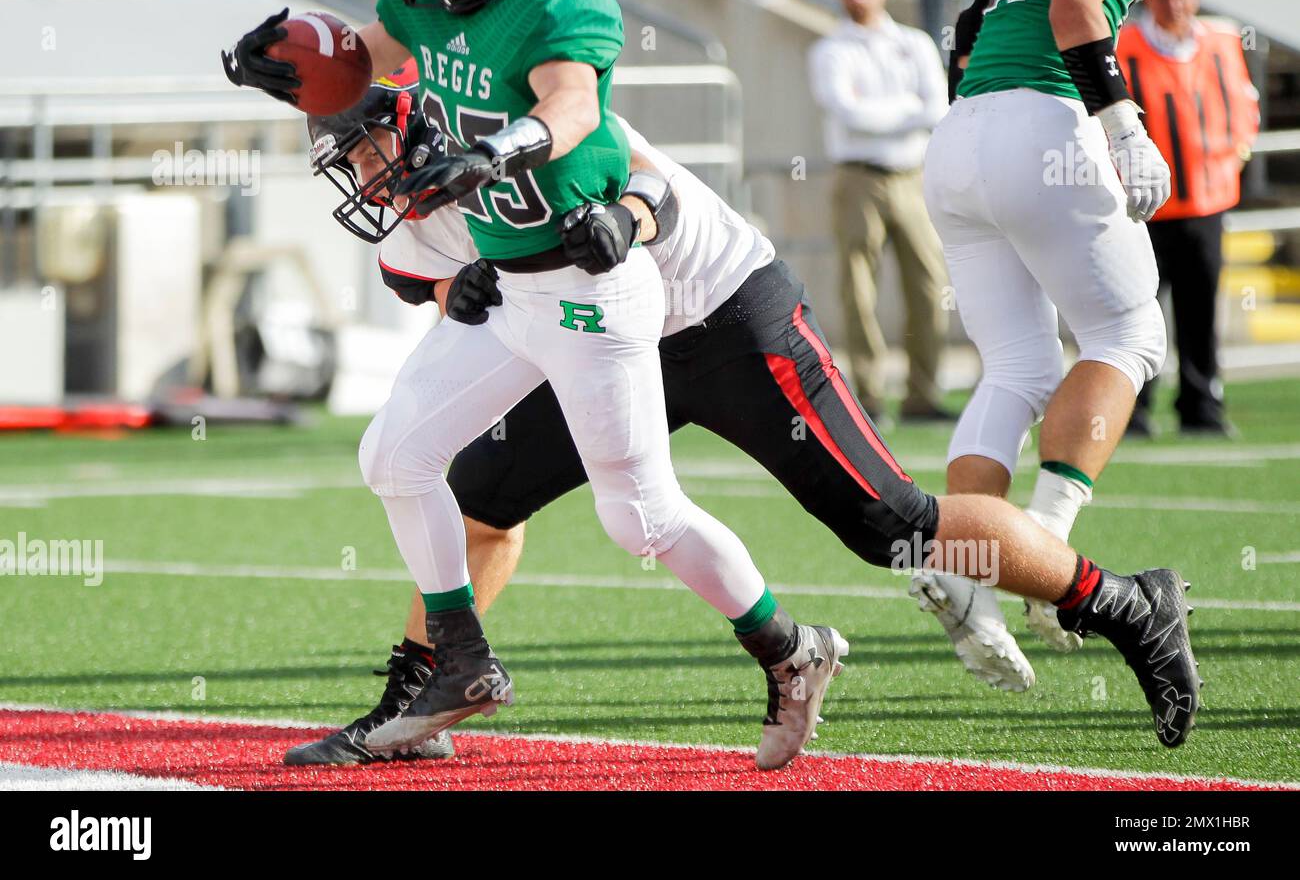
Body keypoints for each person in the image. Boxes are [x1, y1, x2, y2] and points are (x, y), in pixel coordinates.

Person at [283, 66, 1208, 764]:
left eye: (367, 152)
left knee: (892, 526)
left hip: (722, 311)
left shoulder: (516, 124)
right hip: (597, 335)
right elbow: (435, 285)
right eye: (348, 162)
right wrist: (468, 283)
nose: (365, 178)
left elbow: (653, 183)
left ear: (418, 119)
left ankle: (1123, 603)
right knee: (479, 496)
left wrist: (625, 225)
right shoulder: (404, 216)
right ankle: (425, 692)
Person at [223, 0, 847, 771]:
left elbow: (573, 108)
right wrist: (297, 56)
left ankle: (789, 649)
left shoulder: (565, 4)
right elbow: (367, 58)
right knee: (393, 455)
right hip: (515, 289)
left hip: (593, 289)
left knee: (638, 518)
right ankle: (459, 660)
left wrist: (500, 147)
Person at [915, 0, 1240, 692]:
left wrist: (990, 126)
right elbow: (1074, 3)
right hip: (1042, 117)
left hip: (967, 129)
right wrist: (1119, 121)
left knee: (1017, 366)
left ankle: (962, 570)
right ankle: (1044, 548)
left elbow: (969, 21)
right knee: (1129, 340)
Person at [1119, 0, 1260, 438]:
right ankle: (1132, 411)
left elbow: (1245, 104)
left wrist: (1234, 154)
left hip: (1206, 201)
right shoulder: (1124, 45)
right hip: (1142, 207)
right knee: (1138, 309)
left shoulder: (1221, 41)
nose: (1175, 2)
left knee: (1200, 309)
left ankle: (1201, 406)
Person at [807, 0, 953, 423]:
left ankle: (923, 396)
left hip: (913, 174)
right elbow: (847, 113)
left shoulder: (913, 43)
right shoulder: (831, 49)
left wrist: (889, 113)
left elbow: (938, 106)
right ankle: (869, 396)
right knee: (859, 289)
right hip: (859, 177)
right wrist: (908, 111)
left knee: (930, 284)